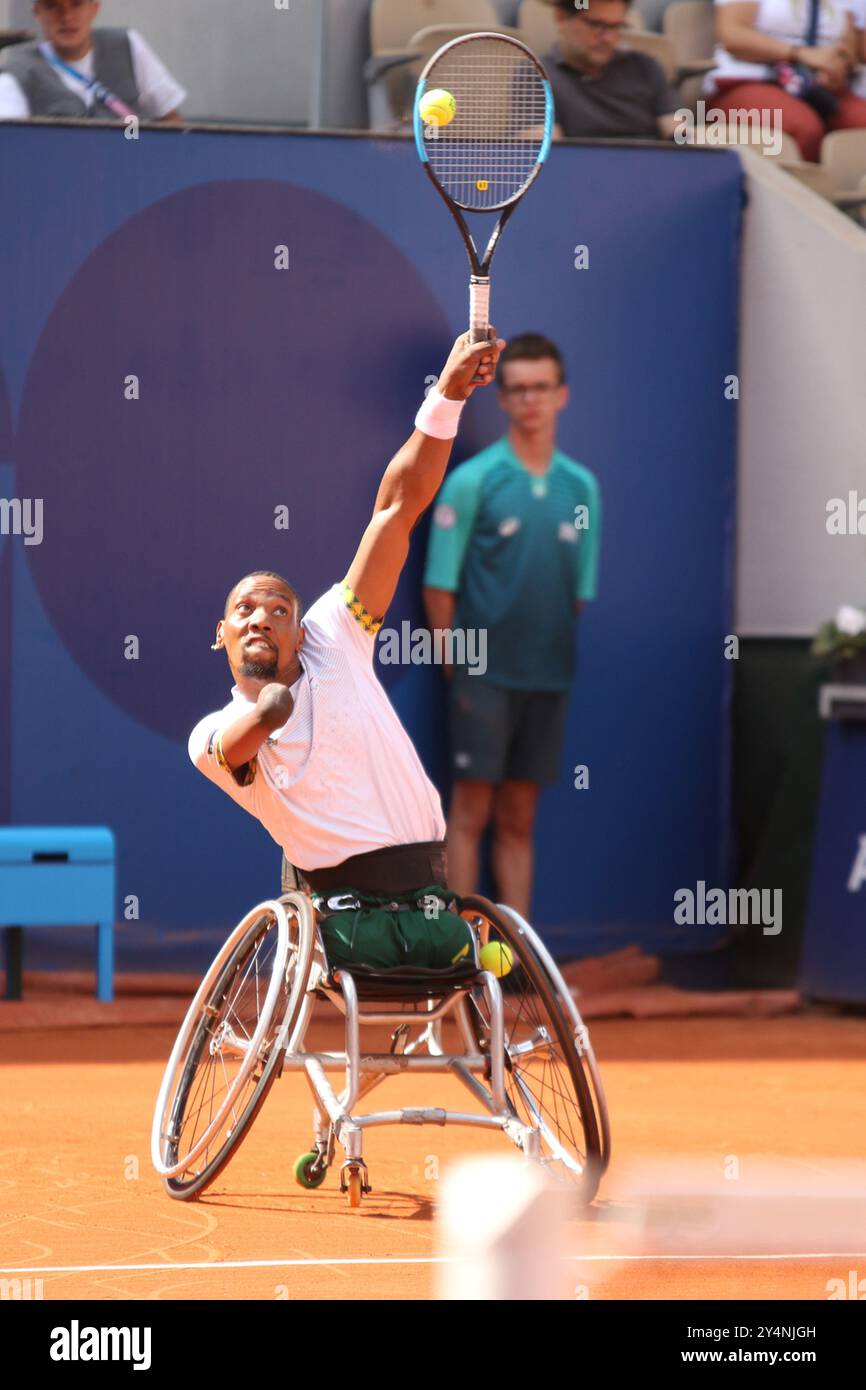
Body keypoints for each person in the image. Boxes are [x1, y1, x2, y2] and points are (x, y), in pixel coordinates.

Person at [188, 331, 504, 973]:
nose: (263, 618)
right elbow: (237, 745)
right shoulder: (210, 736)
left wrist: (446, 394)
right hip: (343, 913)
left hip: (431, 892)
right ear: (220, 633)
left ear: (303, 632)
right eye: (245, 609)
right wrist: (270, 709)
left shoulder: (337, 633)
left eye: (281, 610)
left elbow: (396, 507)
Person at [422, 334, 601, 920]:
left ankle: (517, 952)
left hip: (548, 675)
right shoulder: (473, 481)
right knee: (470, 813)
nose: (530, 400)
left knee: (520, 816)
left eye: (541, 388)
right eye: (518, 389)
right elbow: (439, 585)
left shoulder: (583, 489)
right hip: (483, 678)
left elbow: (577, 595)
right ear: (500, 399)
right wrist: (461, 665)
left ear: (562, 395)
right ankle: (462, 947)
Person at [706, 0, 866, 161]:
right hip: (753, 79)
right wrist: (800, 54)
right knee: (801, 129)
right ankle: (801, 185)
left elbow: (850, 45)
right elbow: (733, 35)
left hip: (822, 89)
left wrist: (838, 67)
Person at [0, 0, 185, 123]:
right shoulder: (16, 72)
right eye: (52, 6)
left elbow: (171, 120)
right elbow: (12, 143)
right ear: (37, 13)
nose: (66, 17)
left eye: (77, 4)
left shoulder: (127, 44)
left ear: (94, 8)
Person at [542, 0, 679, 140]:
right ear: (561, 17)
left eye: (616, 26)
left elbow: (678, 135)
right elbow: (546, 154)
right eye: (596, 24)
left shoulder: (646, 67)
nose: (608, 38)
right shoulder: (537, 76)